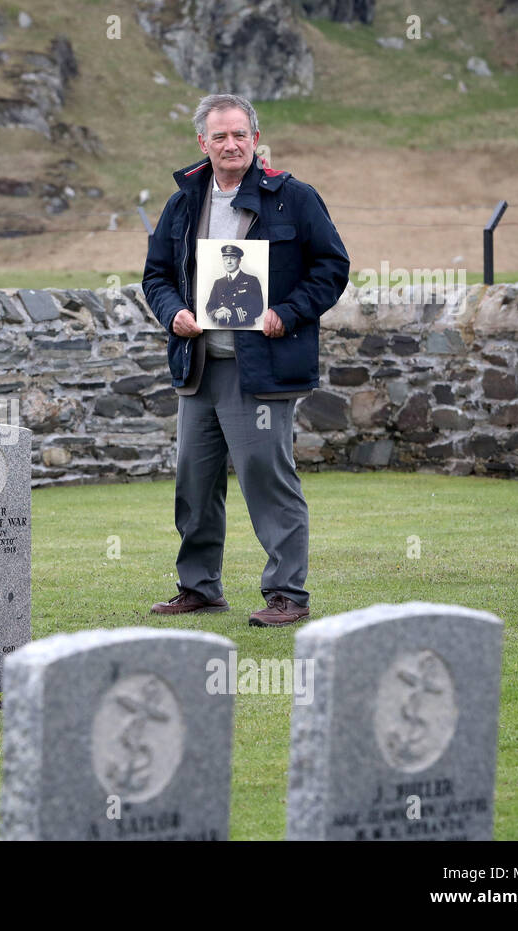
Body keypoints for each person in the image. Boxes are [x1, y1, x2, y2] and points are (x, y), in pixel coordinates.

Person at [141, 93, 349, 627]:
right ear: (202, 143)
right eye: (219, 136)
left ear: (255, 139)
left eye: (240, 135)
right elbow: (157, 276)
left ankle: (287, 595)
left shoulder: (293, 198)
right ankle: (200, 587)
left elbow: (331, 267)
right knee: (193, 481)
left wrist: (288, 311)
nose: (230, 145)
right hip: (199, 365)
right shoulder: (183, 203)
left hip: (263, 368)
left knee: (266, 476)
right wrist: (174, 314)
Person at [205, 244, 264, 327]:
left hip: (244, 328)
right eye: (225, 259)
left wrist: (231, 313)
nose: (228, 261)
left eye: (232, 258)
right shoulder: (218, 283)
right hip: (221, 328)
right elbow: (210, 306)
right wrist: (215, 314)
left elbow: (257, 308)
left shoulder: (252, 280)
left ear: (239, 261)